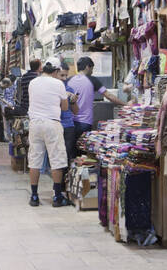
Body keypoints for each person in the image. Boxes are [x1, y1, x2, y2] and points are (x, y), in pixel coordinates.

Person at [26, 61, 71, 206]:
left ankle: (34, 196)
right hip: (52, 123)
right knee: (56, 158)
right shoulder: (58, 84)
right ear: (56, 71)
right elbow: (64, 107)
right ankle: (57, 197)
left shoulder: (33, 82)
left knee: (35, 159)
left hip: (35, 123)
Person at [64, 56, 126, 157]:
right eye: (92, 68)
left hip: (70, 123)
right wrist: (126, 104)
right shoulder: (93, 80)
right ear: (88, 67)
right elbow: (109, 96)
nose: (92, 71)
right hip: (84, 123)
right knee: (83, 155)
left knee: (71, 153)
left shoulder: (69, 80)